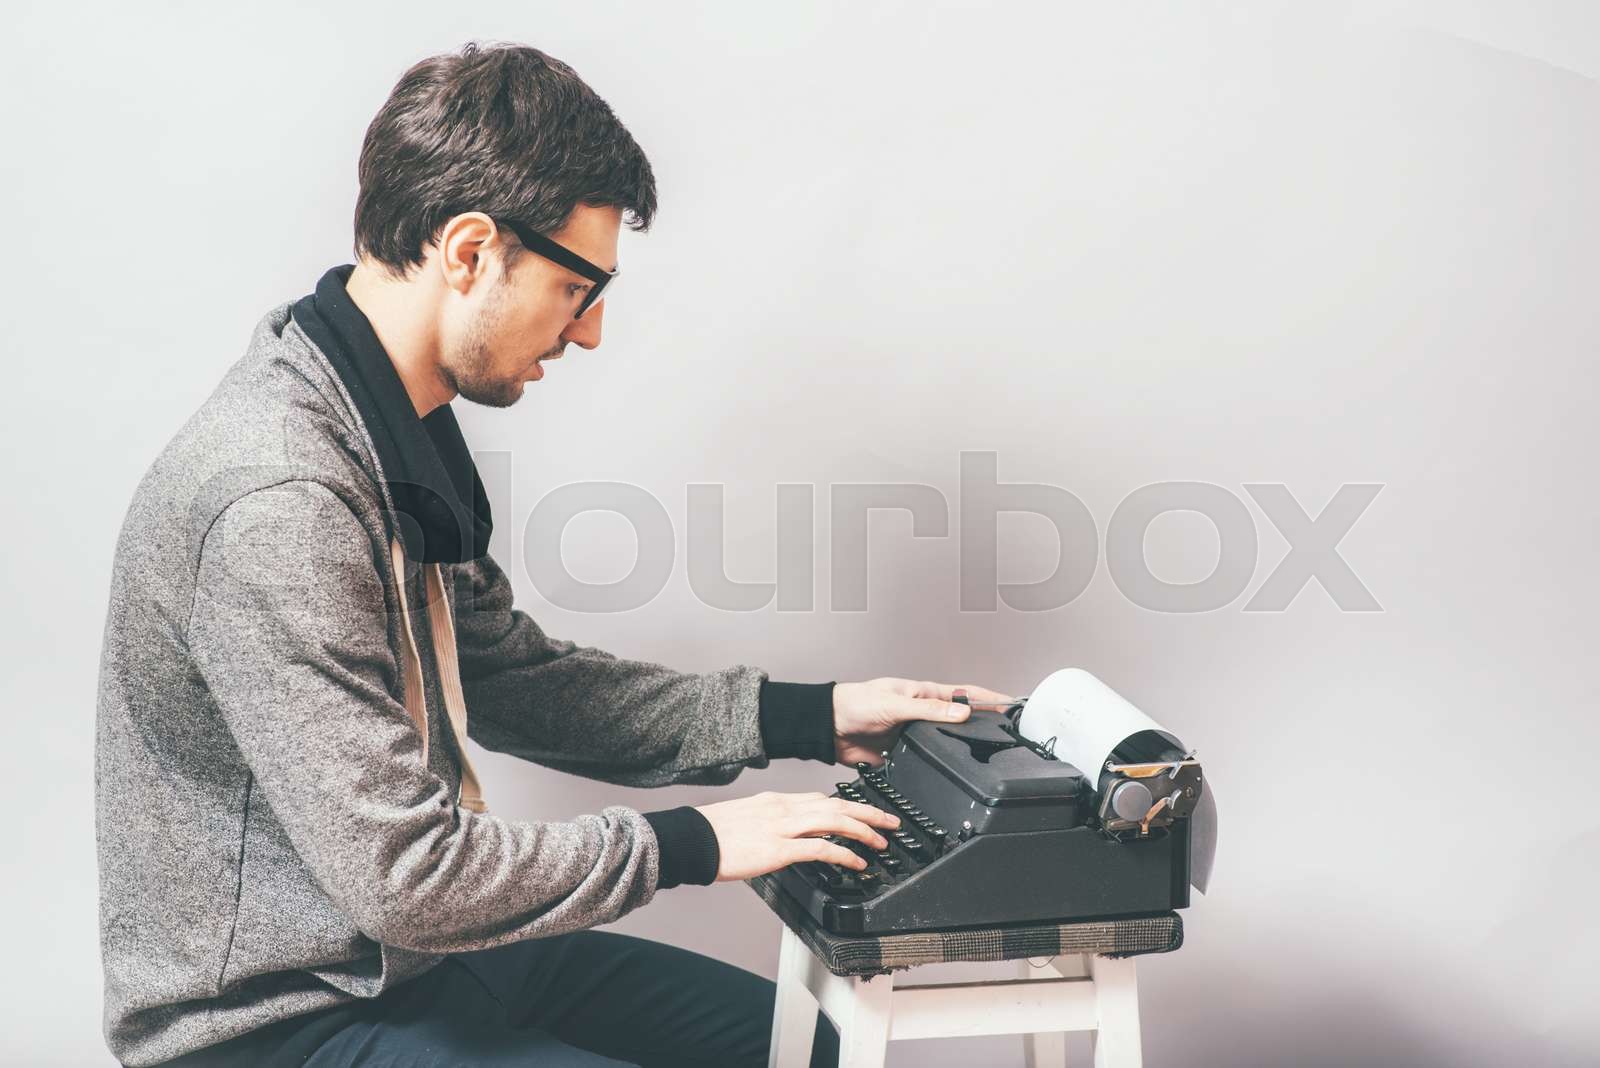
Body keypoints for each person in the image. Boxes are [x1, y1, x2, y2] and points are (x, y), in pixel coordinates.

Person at [94, 41, 1009, 1068]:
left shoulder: (380, 422)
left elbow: (520, 684)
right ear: (472, 250)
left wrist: (809, 715)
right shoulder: (281, 500)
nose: (592, 332)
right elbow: (407, 874)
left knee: (802, 1049)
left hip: (422, 962)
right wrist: (702, 843)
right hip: (281, 1018)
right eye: (580, 288)